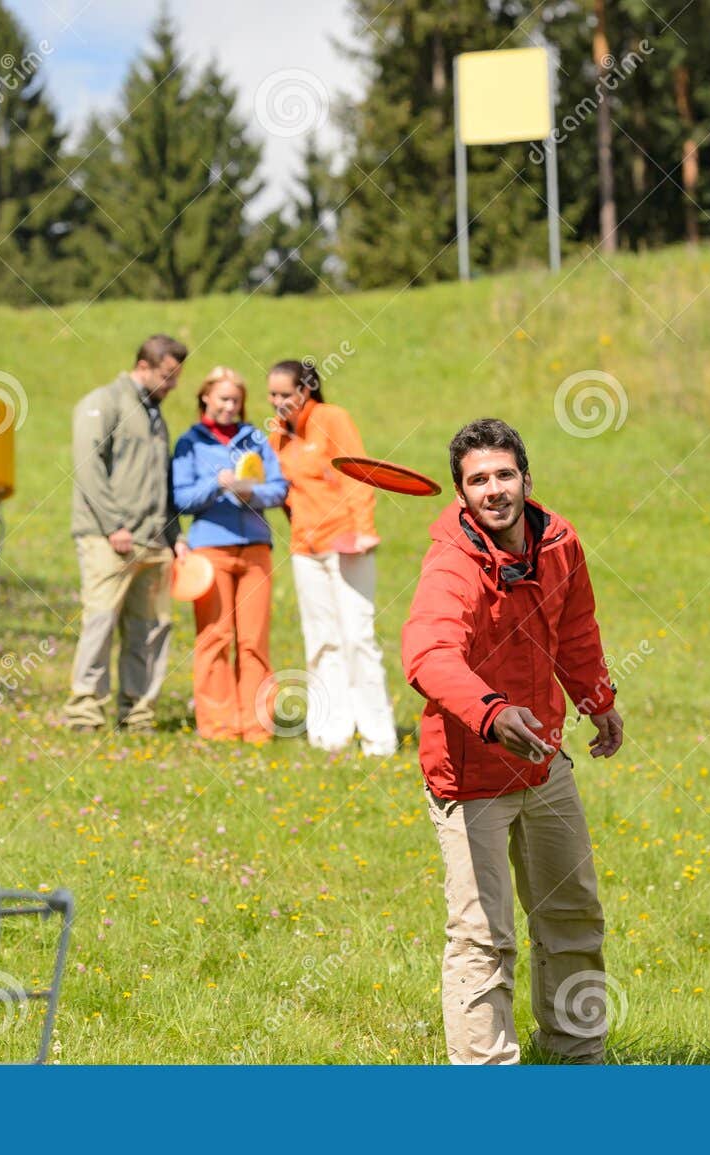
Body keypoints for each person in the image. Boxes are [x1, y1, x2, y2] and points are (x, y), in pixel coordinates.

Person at [401, 418, 624, 1065]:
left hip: (544, 762)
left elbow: (576, 630)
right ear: (461, 494)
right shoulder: (453, 563)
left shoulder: (559, 543)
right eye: (478, 480)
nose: (493, 489)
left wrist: (598, 700)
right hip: (471, 772)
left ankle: (577, 1056)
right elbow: (428, 653)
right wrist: (491, 712)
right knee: (482, 936)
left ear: (527, 479)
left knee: (574, 914)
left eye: (504, 474)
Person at [266, 359, 397, 756]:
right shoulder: (277, 435)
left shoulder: (331, 418)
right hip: (305, 550)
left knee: (357, 637)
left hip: (346, 544)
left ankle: (378, 738)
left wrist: (364, 529)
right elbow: (282, 491)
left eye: (284, 394)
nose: (277, 401)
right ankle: (330, 733)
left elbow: (358, 473)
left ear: (305, 390)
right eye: (271, 394)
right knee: (321, 640)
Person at [64, 335, 186, 732]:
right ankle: (85, 713)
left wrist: (174, 534)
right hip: (108, 539)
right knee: (100, 623)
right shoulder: (103, 402)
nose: (173, 385)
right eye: (167, 376)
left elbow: (162, 481)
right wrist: (113, 524)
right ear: (144, 366)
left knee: (150, 629)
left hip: (154, 540)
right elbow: (88, 466)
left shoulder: (155, 415)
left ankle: (137, 714)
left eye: (176, 377)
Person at [171, 367, 289, 741]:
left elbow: (279, 488)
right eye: (223, 399)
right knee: (215, 638)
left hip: (255, 549)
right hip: (209, 550)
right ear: (205, 397)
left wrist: (251, 492)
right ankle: (218, 726)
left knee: (254, 641)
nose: (229, 406)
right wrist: (216, 484)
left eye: (236, 400)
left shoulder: (255, 439)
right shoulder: (190, 442)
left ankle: (256, 726)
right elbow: (180, 499)